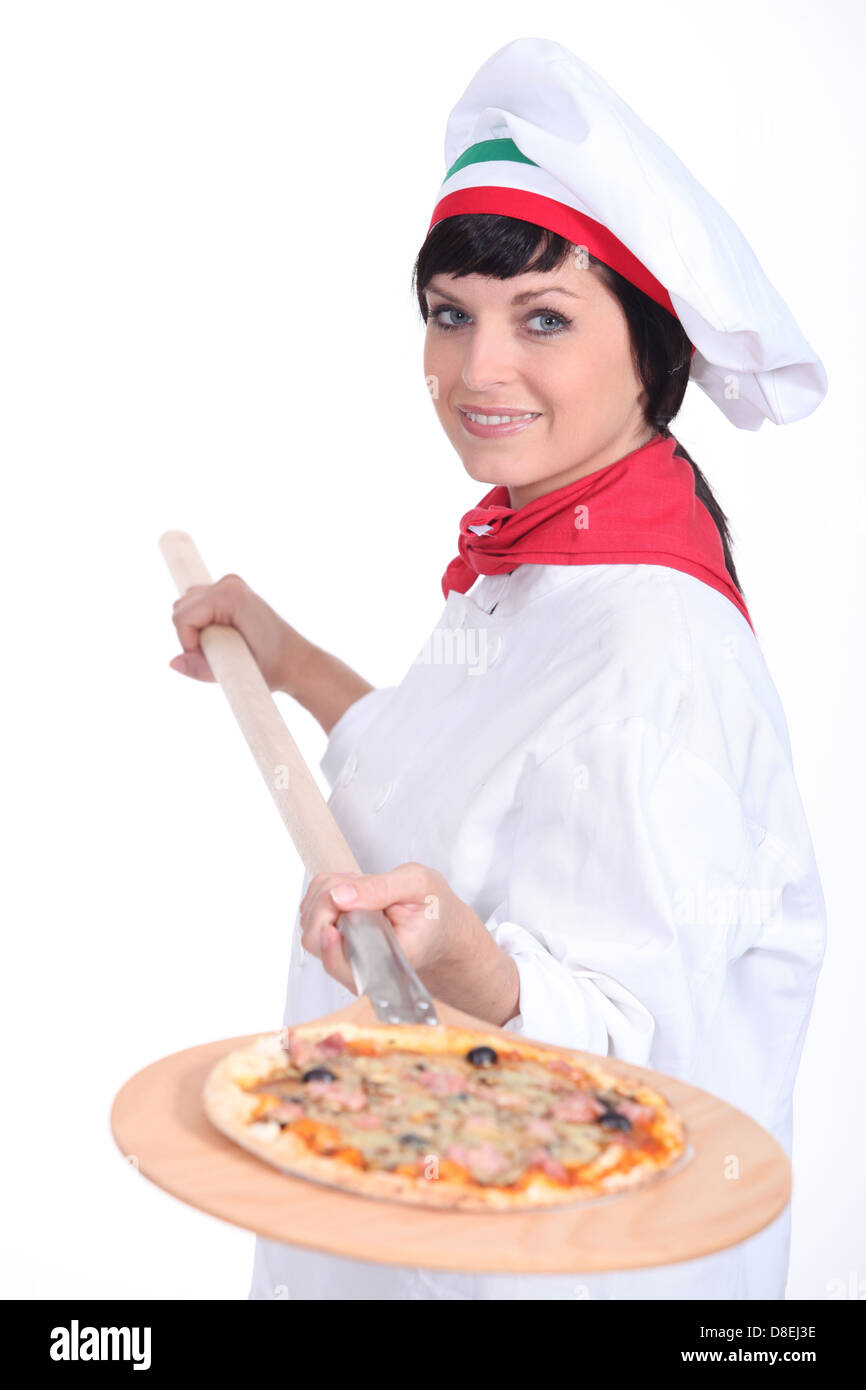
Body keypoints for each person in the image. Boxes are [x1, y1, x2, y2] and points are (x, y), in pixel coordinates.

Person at [169, 38, 828, 1299]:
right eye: (448, 314)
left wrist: (463, 958)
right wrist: (285, 654)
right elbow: (452, 773)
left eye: (542, 320)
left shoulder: (655, 653)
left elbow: (642, 1061)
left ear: (648, 342)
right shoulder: (544, 557)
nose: (477, 371)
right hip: (401, 1208)